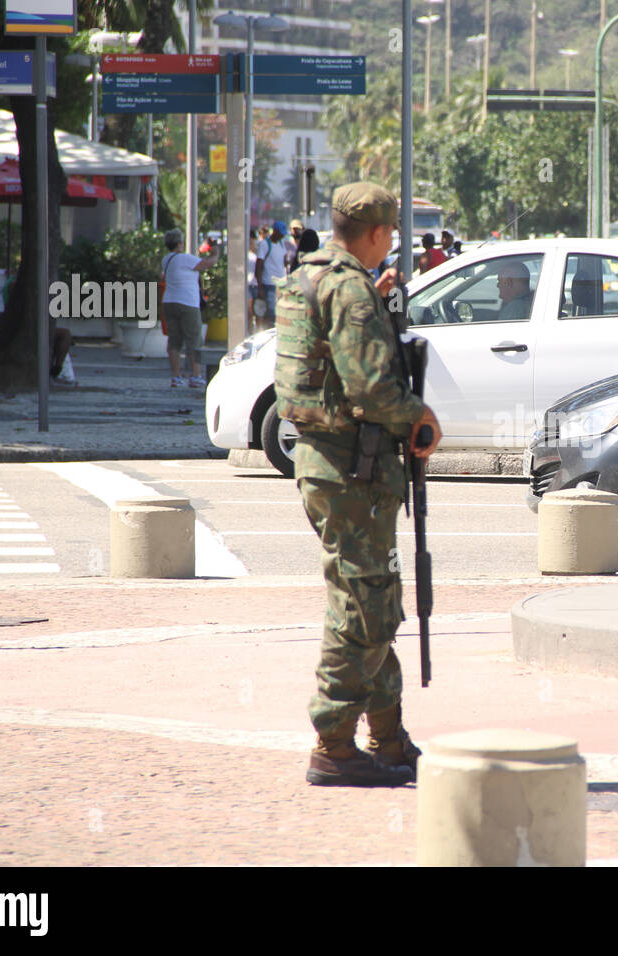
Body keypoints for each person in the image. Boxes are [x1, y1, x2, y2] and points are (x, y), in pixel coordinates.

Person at [273, 181, 442, 787]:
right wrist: (419, 418)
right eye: (391, 231)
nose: (393, 240)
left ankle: (390, 738)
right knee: (364, 605)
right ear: (375, 233)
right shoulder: (351, 291)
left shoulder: (310, 275)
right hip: (354, 470)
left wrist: (373, 299)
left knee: (368, 597)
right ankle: (334, 742)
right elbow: (371, 389)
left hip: (328, 465)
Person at [160, 228, 219, 388]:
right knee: (194, 340)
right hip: (187, 303)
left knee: (174, 341)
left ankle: (176, 377)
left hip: (169, 302)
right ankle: (196, 375)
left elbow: (195, 263)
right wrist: (215, 252)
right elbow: (208, 264)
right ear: (180, 243)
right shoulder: (184, 259)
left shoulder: (166, 259)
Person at [254, 220, 289, 324]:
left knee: (280, 314)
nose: (282, 236)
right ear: (275, 231)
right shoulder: (265, 244)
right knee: (271, 314)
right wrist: (260, 287)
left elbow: (283, 260)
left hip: (281, 284)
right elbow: (258, 266)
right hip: (269, 284)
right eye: (280, 233)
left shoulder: (282, 243)